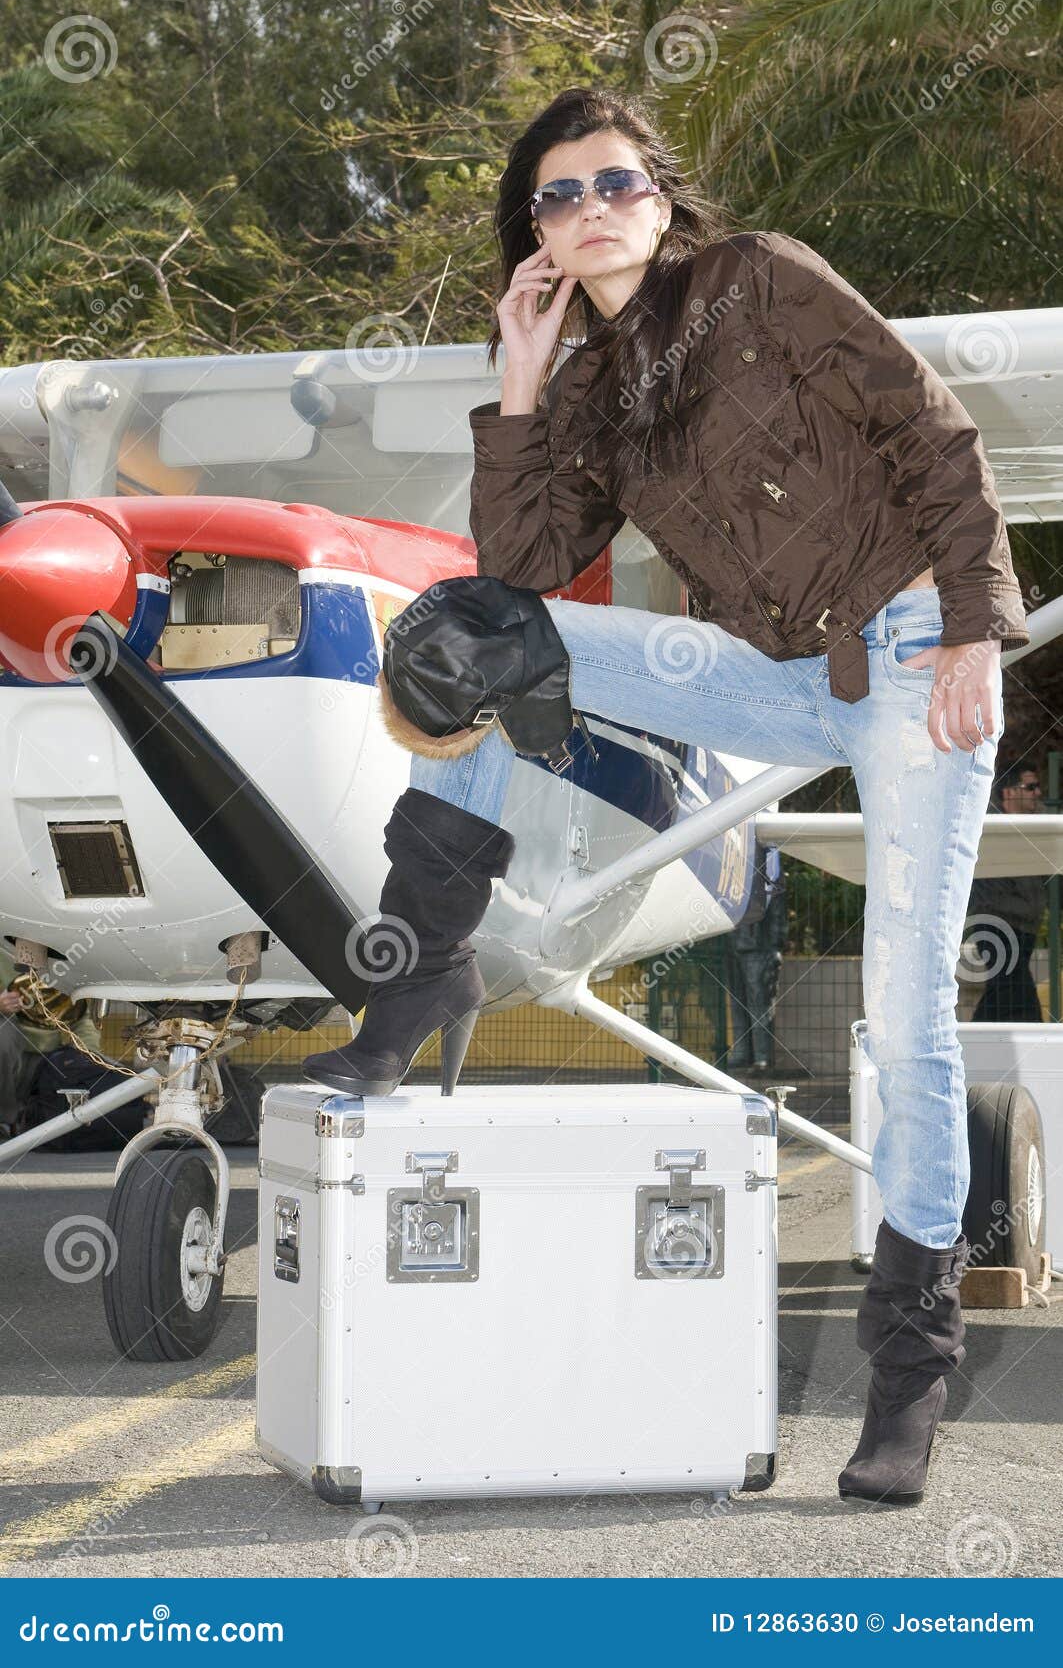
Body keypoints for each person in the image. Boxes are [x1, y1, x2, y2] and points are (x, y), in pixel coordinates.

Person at [302, 88, 1031, 1505]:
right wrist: (522, 383)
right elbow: (518, 574)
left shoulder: (760, 276)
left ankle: (907, 1371)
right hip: (766, 676)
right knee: (479, 633)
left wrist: (970, 629)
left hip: (901, 653)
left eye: (615, 182)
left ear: (659, 193)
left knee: (904, 1009)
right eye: (558, 195)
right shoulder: (585, 388)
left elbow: (931, 433)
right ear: (536, 234)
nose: (592, 208)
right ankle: (425, 968)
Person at [967, 761, 1048, 1021]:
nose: (1037, 793)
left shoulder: (1036, 827)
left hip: (1024, 926)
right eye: (1030, 787)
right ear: (1009, 792)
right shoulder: (990, 829)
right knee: (1015, 990)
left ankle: (973, 1039)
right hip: (996, 925)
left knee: (1005, 991)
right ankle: (1035, 1034)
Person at [0, 947, 103, 1140]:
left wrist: (90, 1056)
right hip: (12, 1053)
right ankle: (5, 1120)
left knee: (87, 1060)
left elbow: (82, 1018)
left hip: (51, 1057)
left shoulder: (65, 951)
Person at [724, 843, 787, 1071]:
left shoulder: (771, 867)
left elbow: (777, 909)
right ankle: (743, 1052)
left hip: (758, 947)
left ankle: (762, 1057)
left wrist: (775, 945)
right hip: (736, 944)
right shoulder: (735, 869)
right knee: (738, 1002)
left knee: (759, 1004)